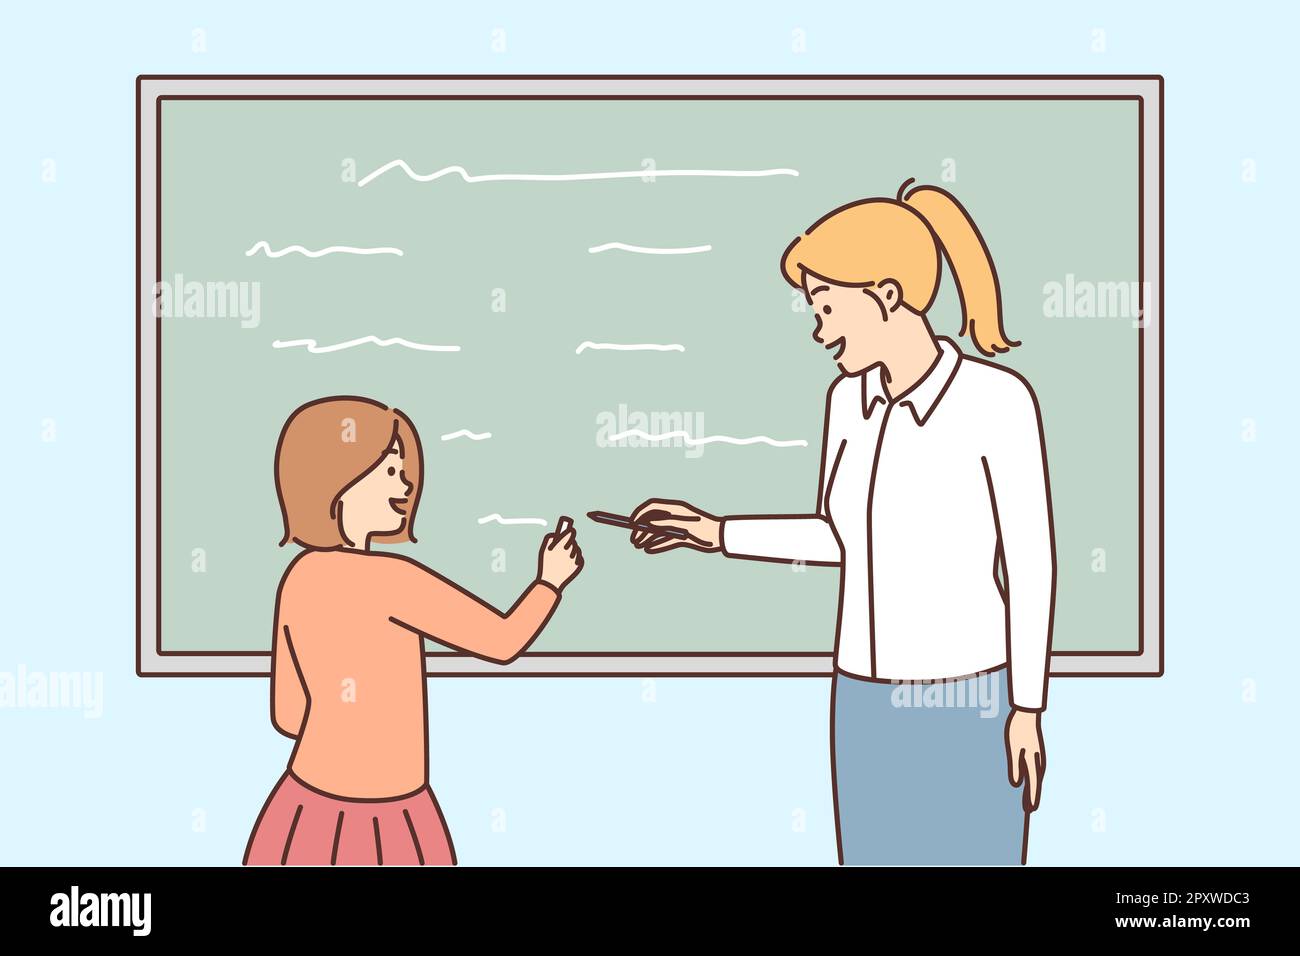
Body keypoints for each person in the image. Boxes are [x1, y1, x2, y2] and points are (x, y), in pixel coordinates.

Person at [628, 180, 1056, 865]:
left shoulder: (997, 402)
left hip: (971, 694)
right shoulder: (846, 402)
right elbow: (838, 537)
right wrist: (711, 531)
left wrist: (1027, 706)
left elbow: (1032, 563)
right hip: (861, 698)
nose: (820, 329)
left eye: (828, 307)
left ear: (887, 296)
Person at [244, 396, 582, 865]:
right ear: (339, 482)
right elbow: (503, 641)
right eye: (389, 471)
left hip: (304, 807)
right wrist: (549, 581)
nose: (405, 485)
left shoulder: (298, 578)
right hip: (391, 819)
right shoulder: (393, 579)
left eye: (403, 471)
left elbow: (288, 716)